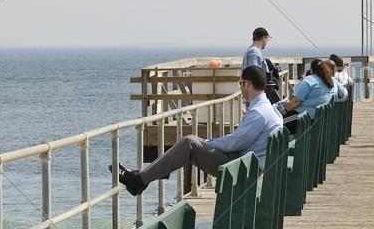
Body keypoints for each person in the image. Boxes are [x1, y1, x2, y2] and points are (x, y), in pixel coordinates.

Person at [119, 65, 282, 195]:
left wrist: (208, 142)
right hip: (250, 163)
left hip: (244, 168)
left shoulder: (258, 113)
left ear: (247, 84)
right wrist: (210, 143)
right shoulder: (268, 109)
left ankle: (139, 180)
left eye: (241, 83)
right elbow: (238, 141)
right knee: (189, 148)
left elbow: (233, 144)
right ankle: (143, 179)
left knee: (189, 143)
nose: (240, 88)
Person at [277, 57, 336, 134]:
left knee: (277, 124)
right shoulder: (329, 80)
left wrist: (285, 111)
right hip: (321, 117)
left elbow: (296, 101)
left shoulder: (310, 80)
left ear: (311, 70)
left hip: (305, 118)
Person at [245, 27, 281, 104]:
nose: (267, 42)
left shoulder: (253, 51)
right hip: (256, 94)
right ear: (264, 37)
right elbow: (255, 73)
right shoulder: (254, 52)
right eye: (267, 39)